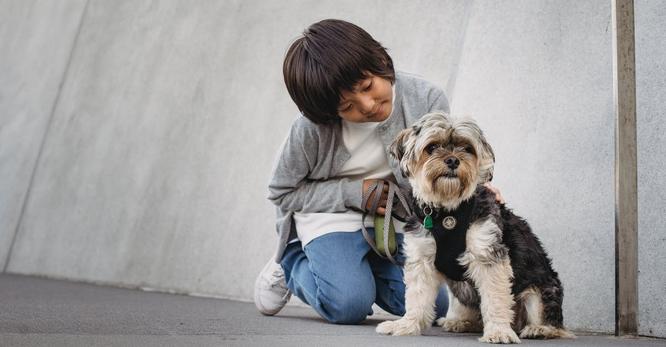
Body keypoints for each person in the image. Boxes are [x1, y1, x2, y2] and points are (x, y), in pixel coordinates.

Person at [255, 19, 502, 324]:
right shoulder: (310, 128)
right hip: (329, 215)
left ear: (381, 61)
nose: (368, 105)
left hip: (392, 217)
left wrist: (477, 191)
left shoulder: (425, 98)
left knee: (433, 306)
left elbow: (437, 167)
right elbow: (282, 192)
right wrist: (354, 194)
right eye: (347, 106)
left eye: (368, 86)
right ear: (327, 111)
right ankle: (292, 262)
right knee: (347, 305)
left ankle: (358, 266)